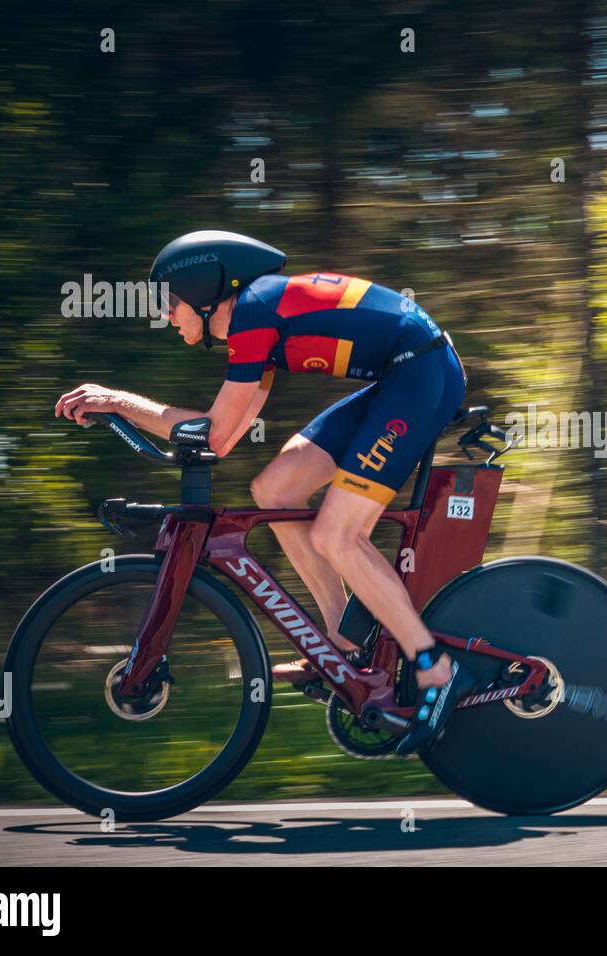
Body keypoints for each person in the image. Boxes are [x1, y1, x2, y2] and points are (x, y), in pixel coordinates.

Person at [54, 230, 475, 753]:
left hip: (421, 374)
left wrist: (116, 400)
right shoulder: (259, 319)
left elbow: (211, 433)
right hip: (403, 374)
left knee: (338, 535)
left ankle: (435, 668)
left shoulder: (255, 313)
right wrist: (122, 407)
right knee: (274, 487)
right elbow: (224, 438)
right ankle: (340, 644)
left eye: (172, 301)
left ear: (205, 289)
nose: (167, 315)